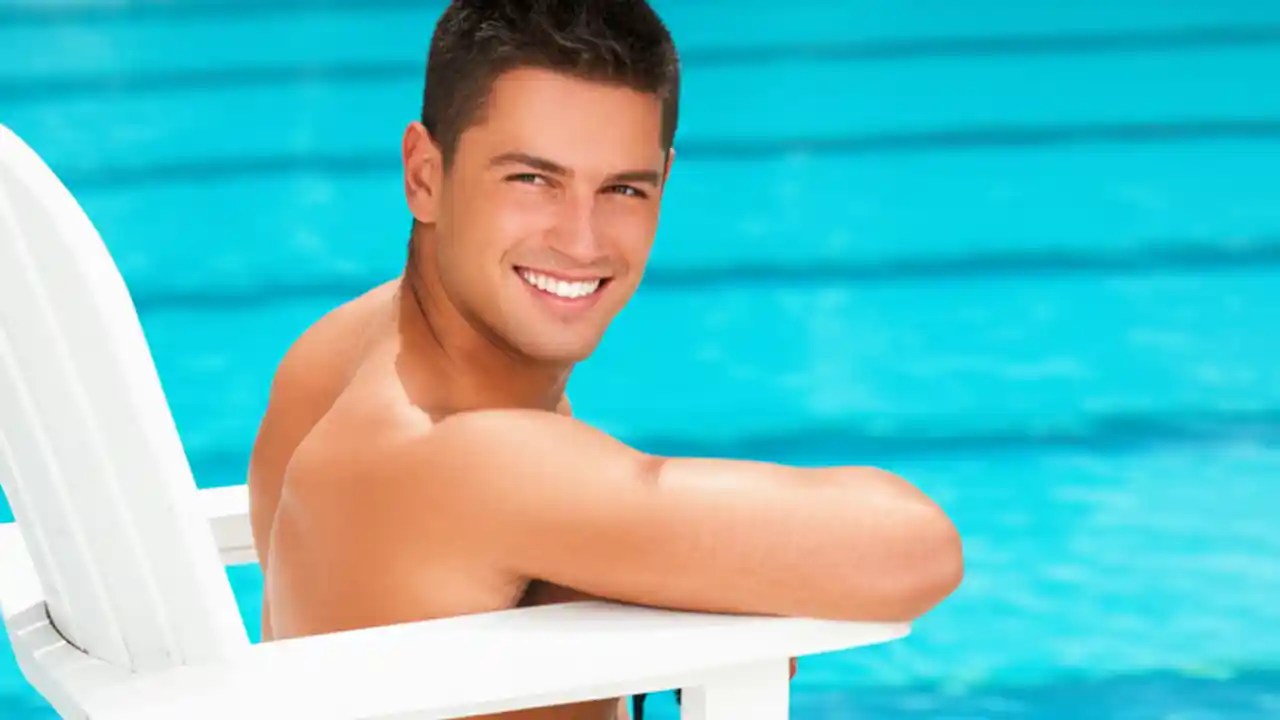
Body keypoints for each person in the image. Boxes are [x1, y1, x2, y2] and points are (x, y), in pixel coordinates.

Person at [246, 1, 964, 718]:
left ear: (664, 182)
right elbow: (918, 549)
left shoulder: (334, 351)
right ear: (425, 174)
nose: (583, 241)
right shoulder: (476, 458)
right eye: (533, 179)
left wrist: (630, 572)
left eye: (622, 188)